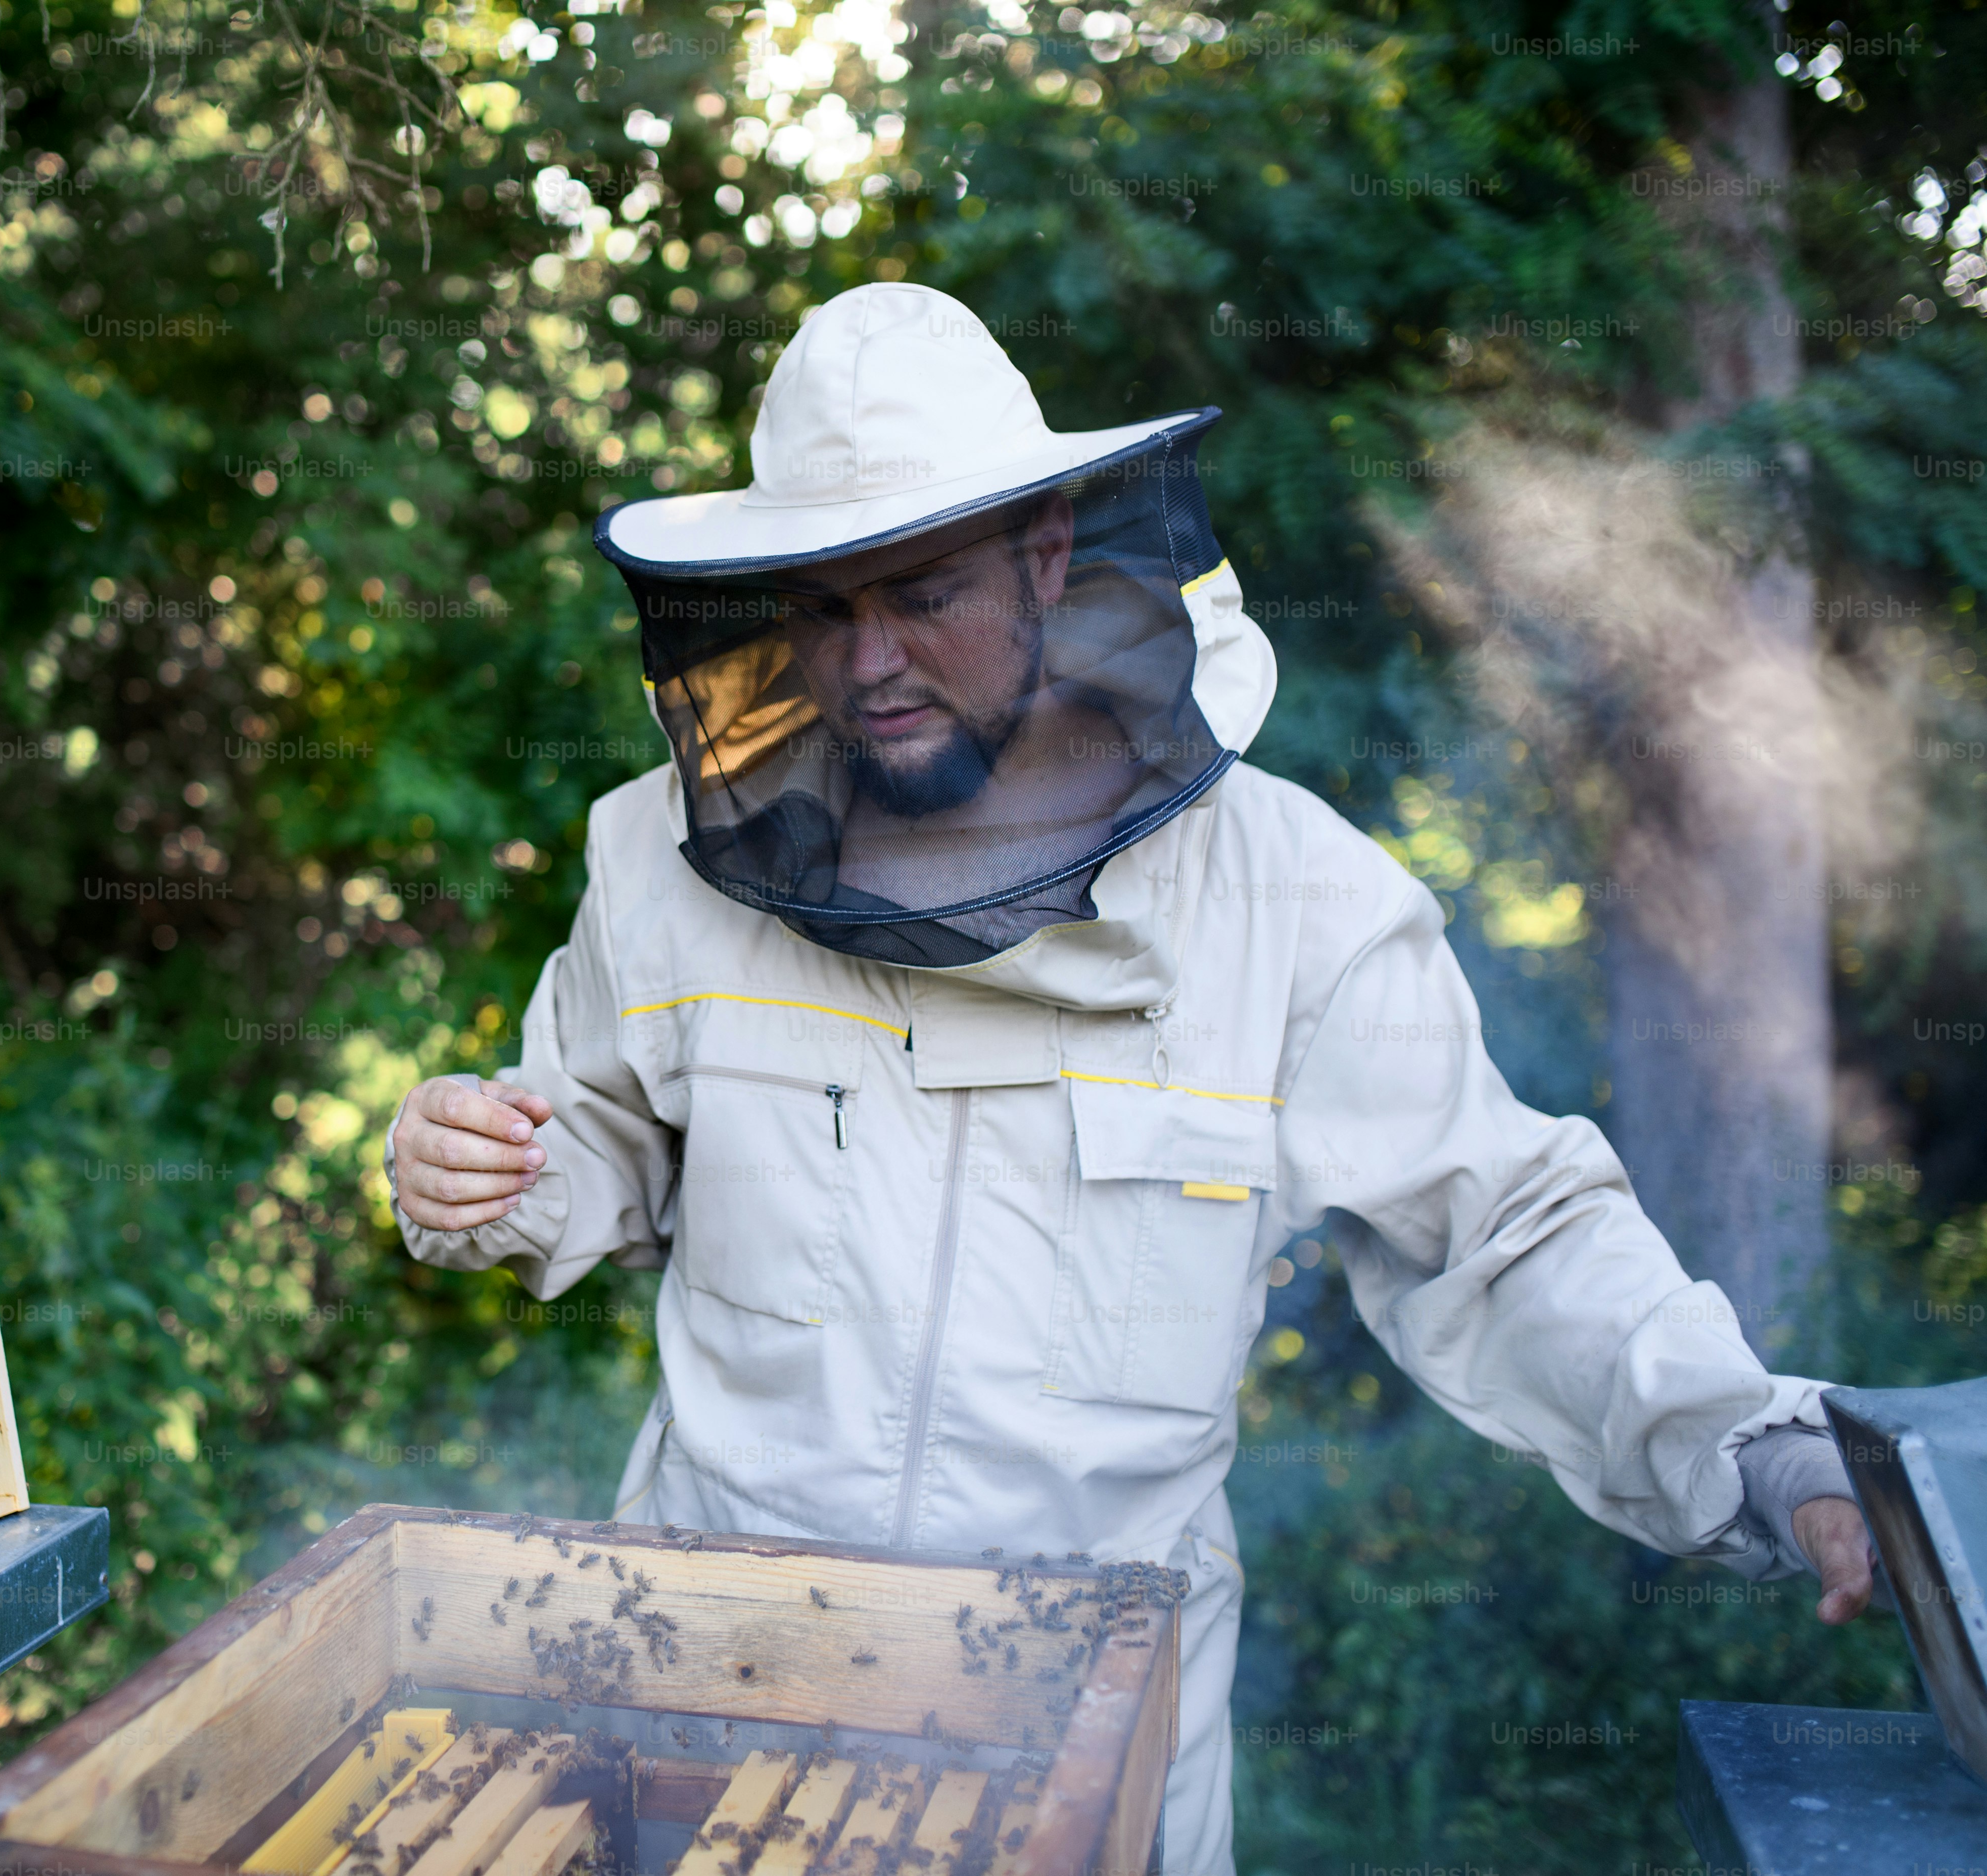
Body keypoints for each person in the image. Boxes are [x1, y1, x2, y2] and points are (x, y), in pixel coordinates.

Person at [385, 282, 1871, 1876]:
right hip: (713, 1721)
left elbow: (1502, 1241)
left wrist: (1764, 1452)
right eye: (821, 606)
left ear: (1044, 560)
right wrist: (494, 1167)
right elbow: (601, 1129)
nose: (869, 659)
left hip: (1087, 1756)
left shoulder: (1294, 898)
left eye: (924, 592)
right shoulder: (660, 857)